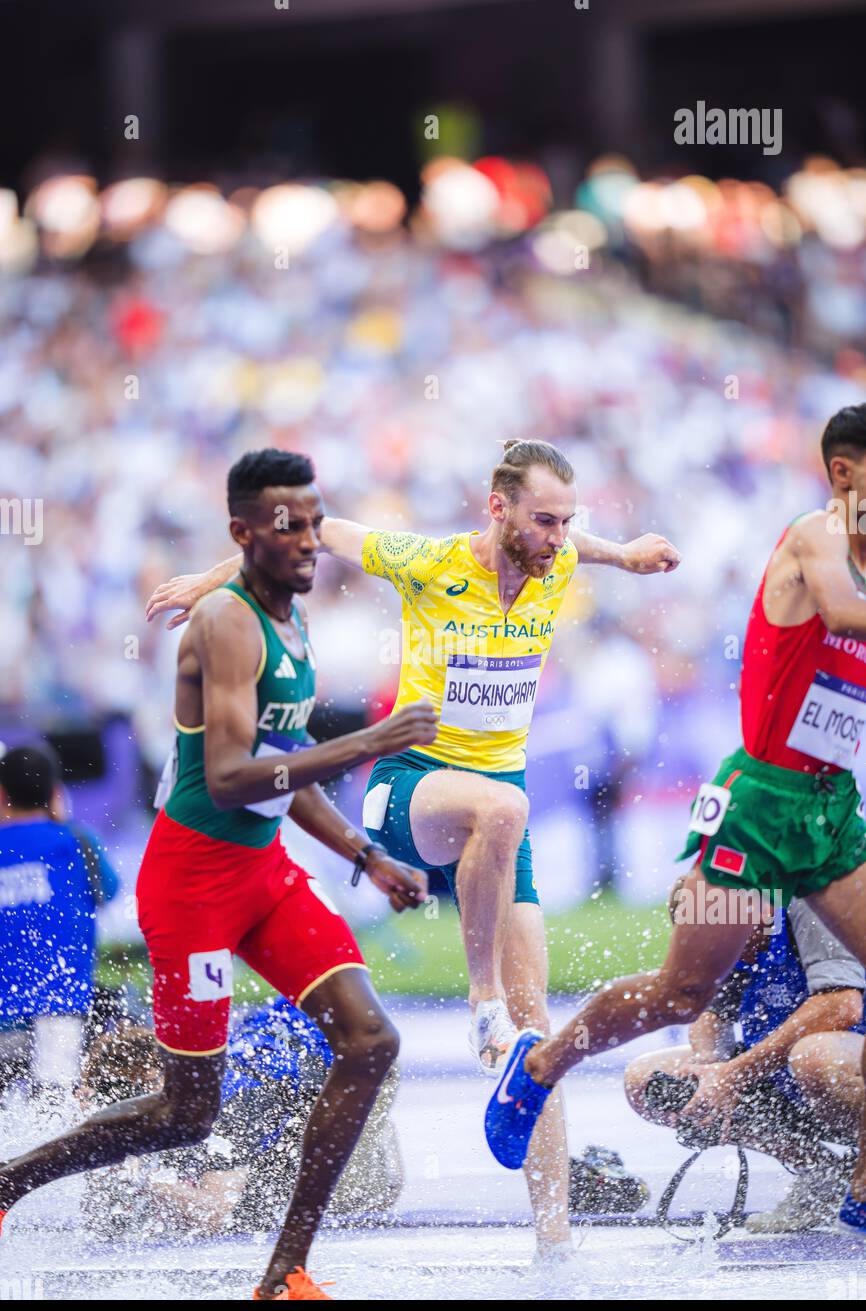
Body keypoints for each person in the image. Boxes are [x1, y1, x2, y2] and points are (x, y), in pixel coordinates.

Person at [145, 435, 680, 1260]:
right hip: (412, 790)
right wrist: (213, 581)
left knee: (539, 1035)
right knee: (504, 806)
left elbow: (588, 546)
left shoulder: (562, 558)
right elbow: (317, 533)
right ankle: (479, 1003)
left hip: (496, 828)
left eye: (567, 523)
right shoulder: (430, 562)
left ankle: (556, 1247)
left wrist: (631, 552)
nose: (557, 538)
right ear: (497, 508)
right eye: (543, 521)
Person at [0, 448, 437, 1301]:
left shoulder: (292, 619)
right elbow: (235, 776)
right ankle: (11, 1181)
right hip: (192, 885)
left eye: (315, 524)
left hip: (262, 871)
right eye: (289, 527)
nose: (310, 542)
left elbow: (284, 770)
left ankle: (286, 1272)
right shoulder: (226, 625)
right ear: (243, 533)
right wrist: (371, 741)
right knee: (185, 1114)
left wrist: (365, 854)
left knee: (370, 1042)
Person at [485, 403, 866, 1245]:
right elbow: (844, 616)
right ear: (845, 473)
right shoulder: (814, 536)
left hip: (831, 810)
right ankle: (539, 1066)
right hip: (760, 809)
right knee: (680, 992)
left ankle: (859, 1187)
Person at [623, 898, 864, 1232]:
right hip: (794, 1085)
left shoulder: (812, 905)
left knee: (814, 1055)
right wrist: (707, 1069)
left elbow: (841, 1007)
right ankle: (823, 1174)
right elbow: (711, 1017)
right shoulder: (732, 936)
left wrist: (734, 1074)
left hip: (843, 1065)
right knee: (646, 1078)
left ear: (759, 908)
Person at [79, 998, 403, 1240]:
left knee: (350, 1201)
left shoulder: (230, 1105)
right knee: (236, 1182)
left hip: (361, 1062)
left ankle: (370, 1140)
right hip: (299, 1043)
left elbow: (213, 1214)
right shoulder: (182, 1070)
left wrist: (141, 1179)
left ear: (154, 1080)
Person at [0, 744, 120, 1098]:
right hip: (60, 1007)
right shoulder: (78, 840)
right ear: (55, 793)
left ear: (1, 794)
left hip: (4, 1010)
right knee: (54, 1109)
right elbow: (108, 891)